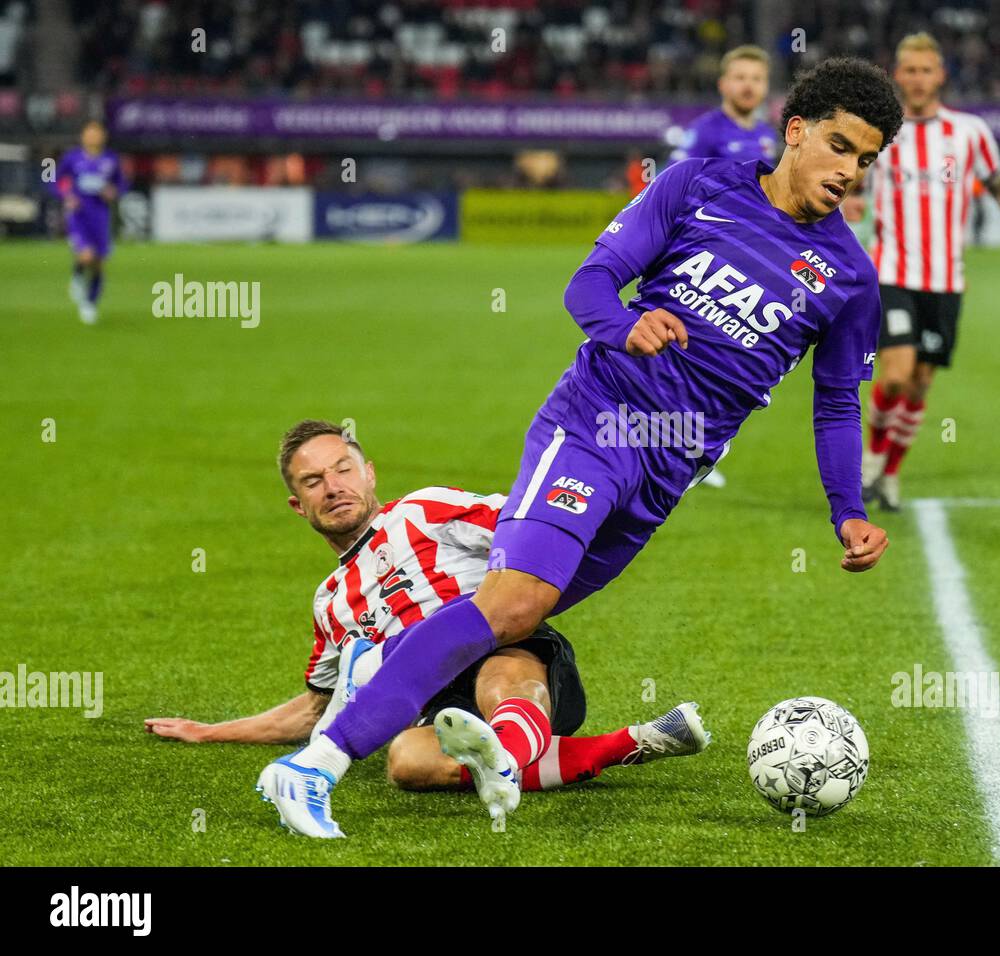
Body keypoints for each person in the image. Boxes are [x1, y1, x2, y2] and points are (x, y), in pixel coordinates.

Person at [262, 58, 901, 839]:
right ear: (796, 131)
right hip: (596, 423)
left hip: (664, 480)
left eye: (866, 159)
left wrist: (847, 511)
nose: (850, 170)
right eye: (839, 145)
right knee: (515, 603)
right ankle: (312, 767)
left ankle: (396, 682)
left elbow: (835, 400)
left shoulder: (849, 278)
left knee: (513, 621)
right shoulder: (697, 186)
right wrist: (623, 324)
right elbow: (590, 282)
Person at [146, 420, 709, 838]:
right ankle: (632, 742)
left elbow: (531, 527)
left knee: (502, 671)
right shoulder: (330, 602)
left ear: (369, 473)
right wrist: (211, 731)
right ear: (299, 506)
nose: (333, 486)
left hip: (501, 644)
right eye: (313, 481)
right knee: (407, 762)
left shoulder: (423, 511)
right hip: (430, 705)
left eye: (343, 468)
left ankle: (533, 750)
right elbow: (314, 709)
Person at [858, 33, 1000, 510]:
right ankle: (871, 460)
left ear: (940, 76)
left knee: (920, 383)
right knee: (895, 375)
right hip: (892, 271)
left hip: (946, 280)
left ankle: (891, 474)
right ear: (897, 76)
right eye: (910, 71)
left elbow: (995, 181)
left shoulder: (969, 131)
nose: (918, 79)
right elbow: (852, 177)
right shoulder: (877, 131)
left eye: (927, 70)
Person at [666, 43, 781, 489]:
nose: (748, 85)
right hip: (700, 258)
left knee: (723, 357)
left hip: (746, 261)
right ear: (723, 84)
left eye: (756, 78)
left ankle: (694, 446)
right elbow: (670, 190)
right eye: (740, 77)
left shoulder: (767, 135)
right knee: (683, 354)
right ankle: (679, 448)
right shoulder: (704, 132)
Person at [54, 120, 127, 325]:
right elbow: (53, 178)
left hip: (101, 216)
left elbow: (121, 183)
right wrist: (66, 194)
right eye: (90, 133)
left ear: (103, 136)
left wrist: (114, 191)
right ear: (83, 136)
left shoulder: (111, 159)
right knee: (86, 255)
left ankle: (90, 303)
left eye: (97, 133)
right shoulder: (72, 158)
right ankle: (77, 278)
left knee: (98, 265)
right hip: (78, 214)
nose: (94, 137)